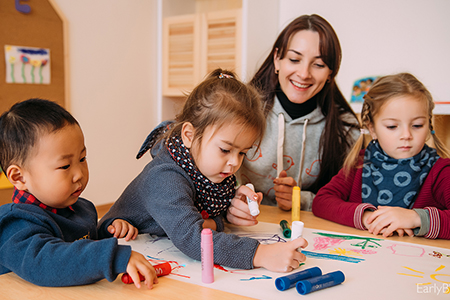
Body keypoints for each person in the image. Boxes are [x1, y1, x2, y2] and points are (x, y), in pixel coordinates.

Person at [98, 69, 308, 272]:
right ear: (189, 135)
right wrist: (260, 254)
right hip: (117, 253)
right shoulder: (164, 178)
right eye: (225, 149)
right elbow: (192, 238)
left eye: (243, 152)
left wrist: (230, 208)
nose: (234, 163)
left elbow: (202, 218)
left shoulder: (209, 169)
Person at [0, 99, 158, 288]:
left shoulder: (81, 208)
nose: (79, 174)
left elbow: (83, 240)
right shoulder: (16, 224)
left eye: (82, 158)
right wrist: (112, 256)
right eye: (65, 165)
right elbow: (48, 262)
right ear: (19, 177)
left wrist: (108, 230)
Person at [237, 14, 360, 212]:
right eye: (294, 59)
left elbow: (349, 199)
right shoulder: (242, 109)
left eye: (318, 64)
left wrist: (301, 200)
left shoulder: (345, 129)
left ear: (331, 73)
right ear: (277, 59)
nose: (304, 74)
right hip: (243, 223)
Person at [312, 73, 450, 239]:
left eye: (417, 125)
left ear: (429, 125)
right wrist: (368, 217)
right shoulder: (359, 165)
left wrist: (417, 218)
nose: (406, 135)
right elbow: (322, 201)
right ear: (372, 129)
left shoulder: (442, 172)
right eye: (392, 126)